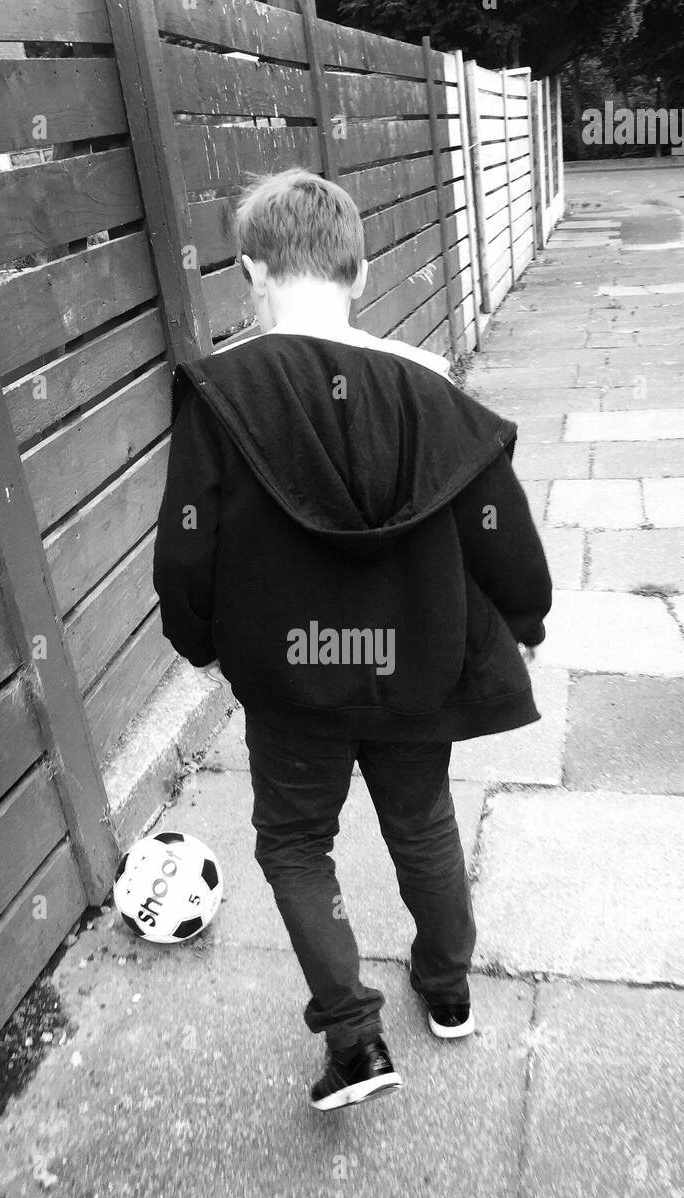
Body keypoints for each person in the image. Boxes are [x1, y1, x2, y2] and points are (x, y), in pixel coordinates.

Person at [153, 168, 552, 1111]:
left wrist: (200, 642)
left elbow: (185, 547)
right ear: (361, 271)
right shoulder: (427, 385)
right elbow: (502, 528)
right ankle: (447, 989)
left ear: (250, 270)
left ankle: (355, 1042)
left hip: (292, 686)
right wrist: (526, 621)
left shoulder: (218, 394)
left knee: (296, 844)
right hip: (415, 669)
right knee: (421, 823)